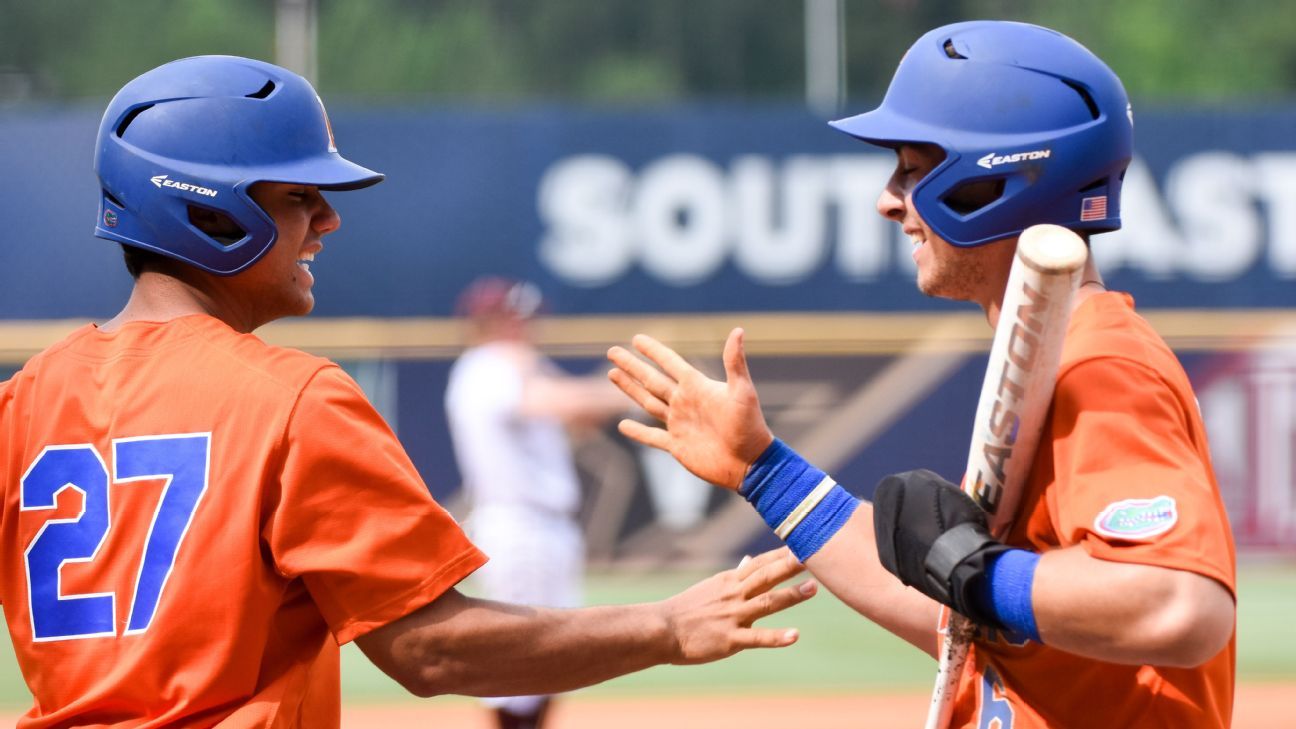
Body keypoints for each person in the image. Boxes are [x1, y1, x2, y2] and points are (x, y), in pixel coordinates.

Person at [0, 55, 816, 728]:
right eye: (296, 197)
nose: (327, 220)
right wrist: (666, 625)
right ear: (208, 216)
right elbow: (430, 651)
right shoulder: (292, 397)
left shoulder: (25, 400)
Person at [607, 21, 1236, 729]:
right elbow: (972, 623)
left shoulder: (1100, 361)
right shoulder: (1053, 353)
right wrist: (766, 471)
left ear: (995, 177)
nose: (889, 199)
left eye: (913, 167)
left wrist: (978, 572)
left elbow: (1182, 605)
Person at [445, 276, 629, 729]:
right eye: (513, 317)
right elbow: (557, 402)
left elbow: (580, 415)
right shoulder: (488, 365)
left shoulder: (520, 364)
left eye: (526, 317)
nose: (524, 326)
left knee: (553, 659)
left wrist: (624, 389)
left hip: (544, 528)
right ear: (487, 322)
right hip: (519, 527)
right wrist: (634, 387)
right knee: (518, 662)